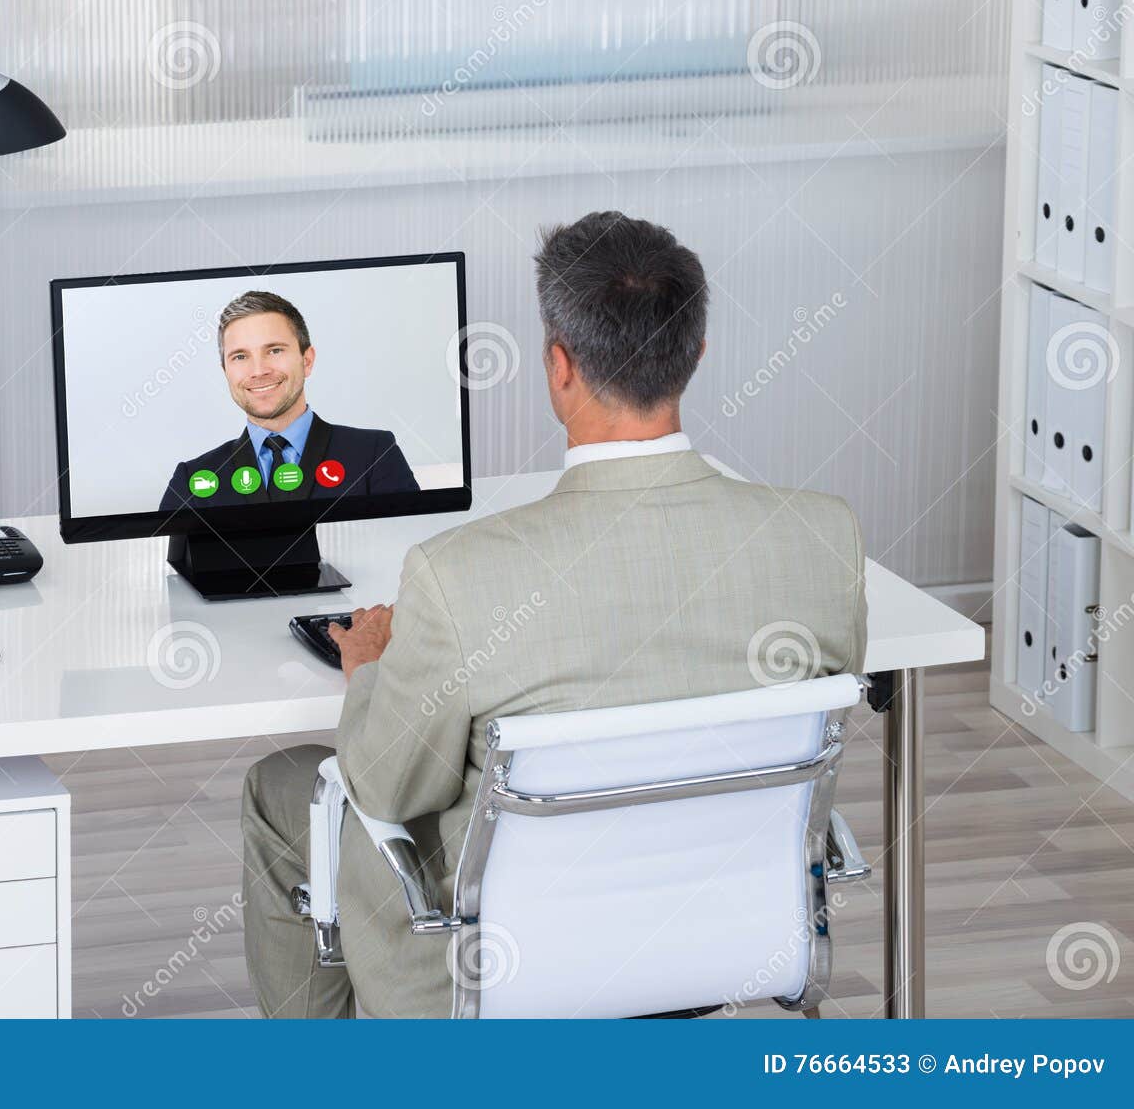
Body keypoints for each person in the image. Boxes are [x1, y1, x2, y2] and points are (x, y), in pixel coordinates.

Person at [239, 211, 868, 1017]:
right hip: (712, 945)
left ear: (557, 366)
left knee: (283, 786)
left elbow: (387, 786)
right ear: (697, 357)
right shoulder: (821, 540)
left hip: (485, 975)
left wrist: (370, 670)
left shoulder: (458, 574)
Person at [158, 290, 419, 509]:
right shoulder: (192, 479)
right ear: (225, 371)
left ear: (307, 361)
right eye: (240, 356)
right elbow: (167, 567)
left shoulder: (374, 454)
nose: (259, 370)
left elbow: (410, 557)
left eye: (274, 350)